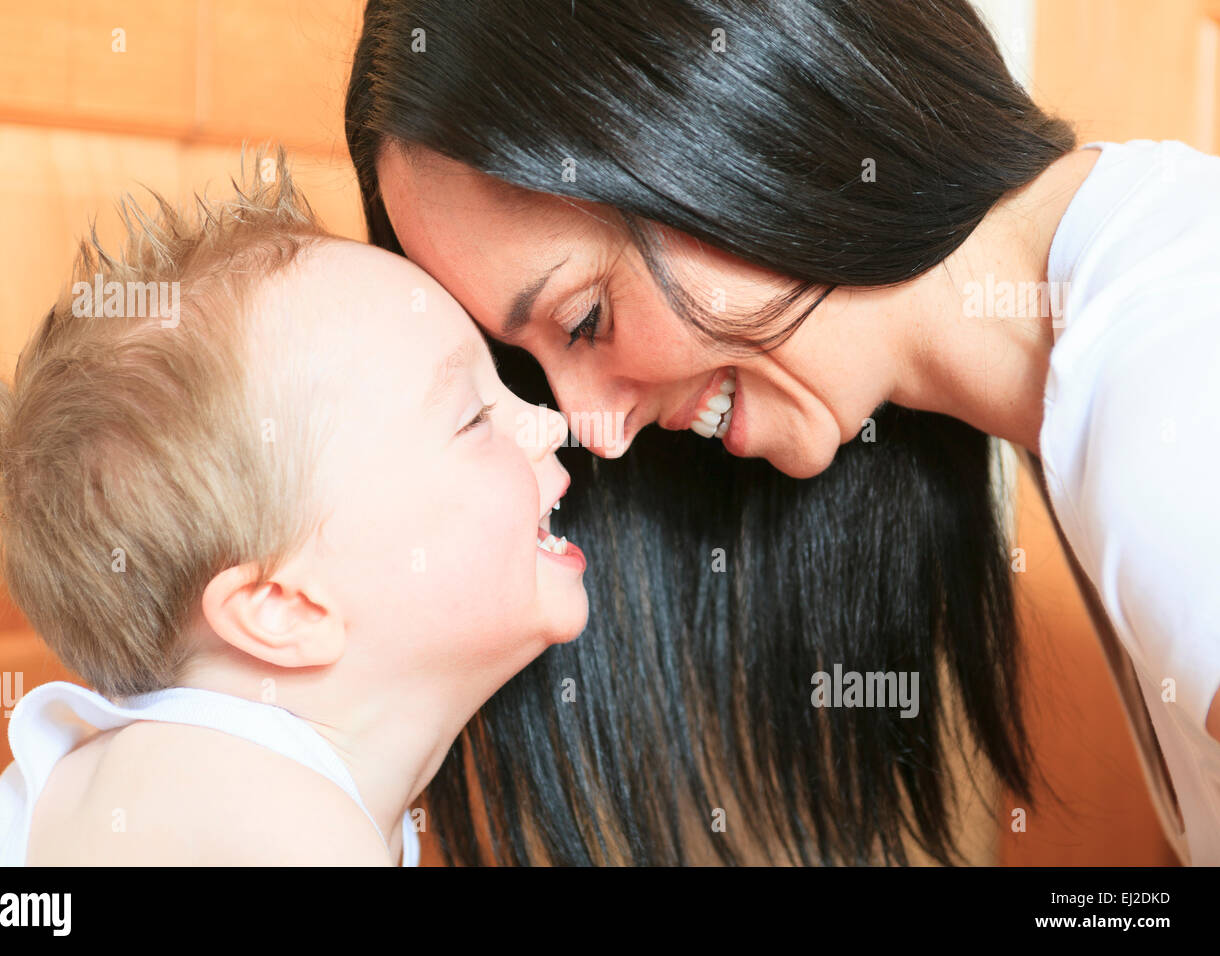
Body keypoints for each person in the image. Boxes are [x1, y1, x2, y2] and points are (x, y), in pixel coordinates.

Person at [346, 0, 1220, 864]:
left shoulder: (1163, 396)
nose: (592, 431)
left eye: (585, 319)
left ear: (743, 116)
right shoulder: (1122, 320)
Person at [0, 151, 586, 865]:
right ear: (283, 605)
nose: (550, 420)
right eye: (473, 419)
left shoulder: (260, 788)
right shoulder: (257, 813)